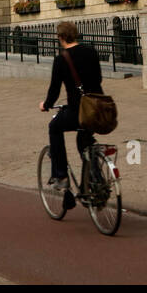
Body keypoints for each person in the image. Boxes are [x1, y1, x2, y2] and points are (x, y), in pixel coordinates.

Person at [39, 21, 103, 191]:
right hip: (98, 109)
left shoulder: (61, 59)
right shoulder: (91, 52)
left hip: (78, 111)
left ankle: (61, 176)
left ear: (60, 38)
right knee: (84, 141)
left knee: (54, 127)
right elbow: (98, 79)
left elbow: (54, 89)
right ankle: (95, 179)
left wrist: (45, 105)